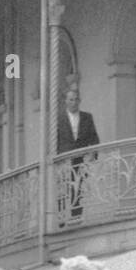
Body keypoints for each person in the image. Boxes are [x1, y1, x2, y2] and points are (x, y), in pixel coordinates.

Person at [57, 80, 99, 220]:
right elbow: (53, 140)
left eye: (76, 100)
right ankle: (62, 218)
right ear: (65, 101)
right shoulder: (58, 119)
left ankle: (76, 217)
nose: (74, 102)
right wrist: (56, 158)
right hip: (64, 158)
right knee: (63, 189)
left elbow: (93, 137)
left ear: (79, 101)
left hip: (80, 158)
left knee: (79, 187)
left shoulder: (87, 117)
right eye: (71, 100)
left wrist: (93, 152)